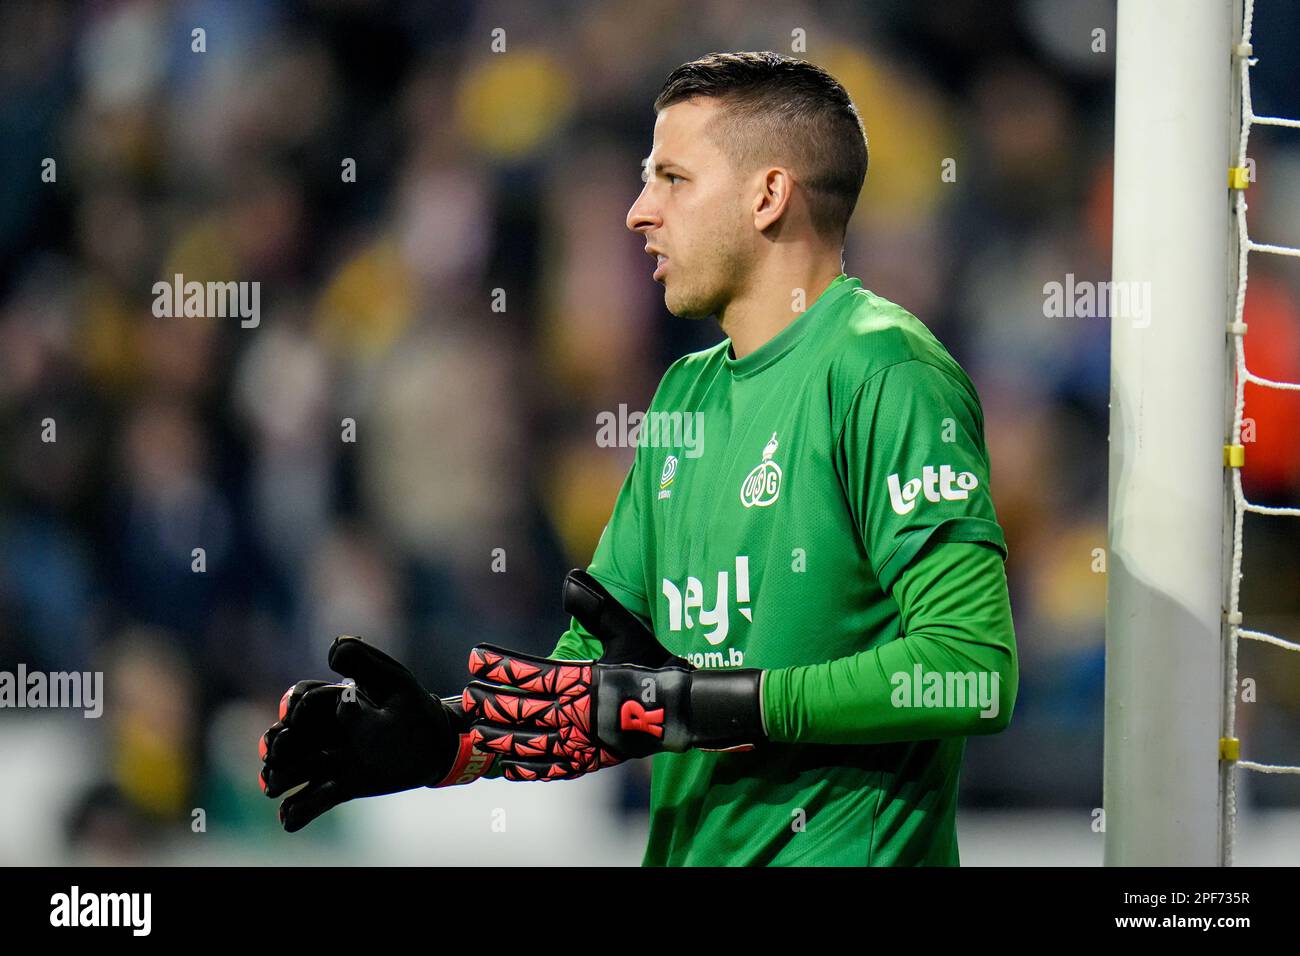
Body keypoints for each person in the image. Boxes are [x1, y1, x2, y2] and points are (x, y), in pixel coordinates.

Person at [259, 51, 1017, 866]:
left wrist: (722, 703)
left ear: (768, 196)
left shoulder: (884, 371)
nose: (637, 212)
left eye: (672, 179)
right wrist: (447, 740)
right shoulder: (684, 397)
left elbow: (971, 670)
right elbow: (603, 690)